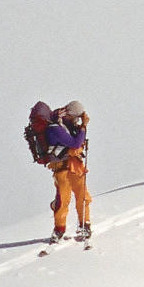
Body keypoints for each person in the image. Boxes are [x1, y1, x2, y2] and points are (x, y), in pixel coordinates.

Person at [37, 100, 92, 243]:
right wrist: (84, 126)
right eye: (76, 117)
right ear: (70, 114)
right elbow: (75, 143)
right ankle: (59, 229)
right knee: (63, 200)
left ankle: (84, 224)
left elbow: (76, 140)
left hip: (74, 166)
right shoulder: (55, 128)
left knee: (83, 196)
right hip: (62, 168)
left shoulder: (65, 124)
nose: (77, 120)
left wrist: (80, 127)